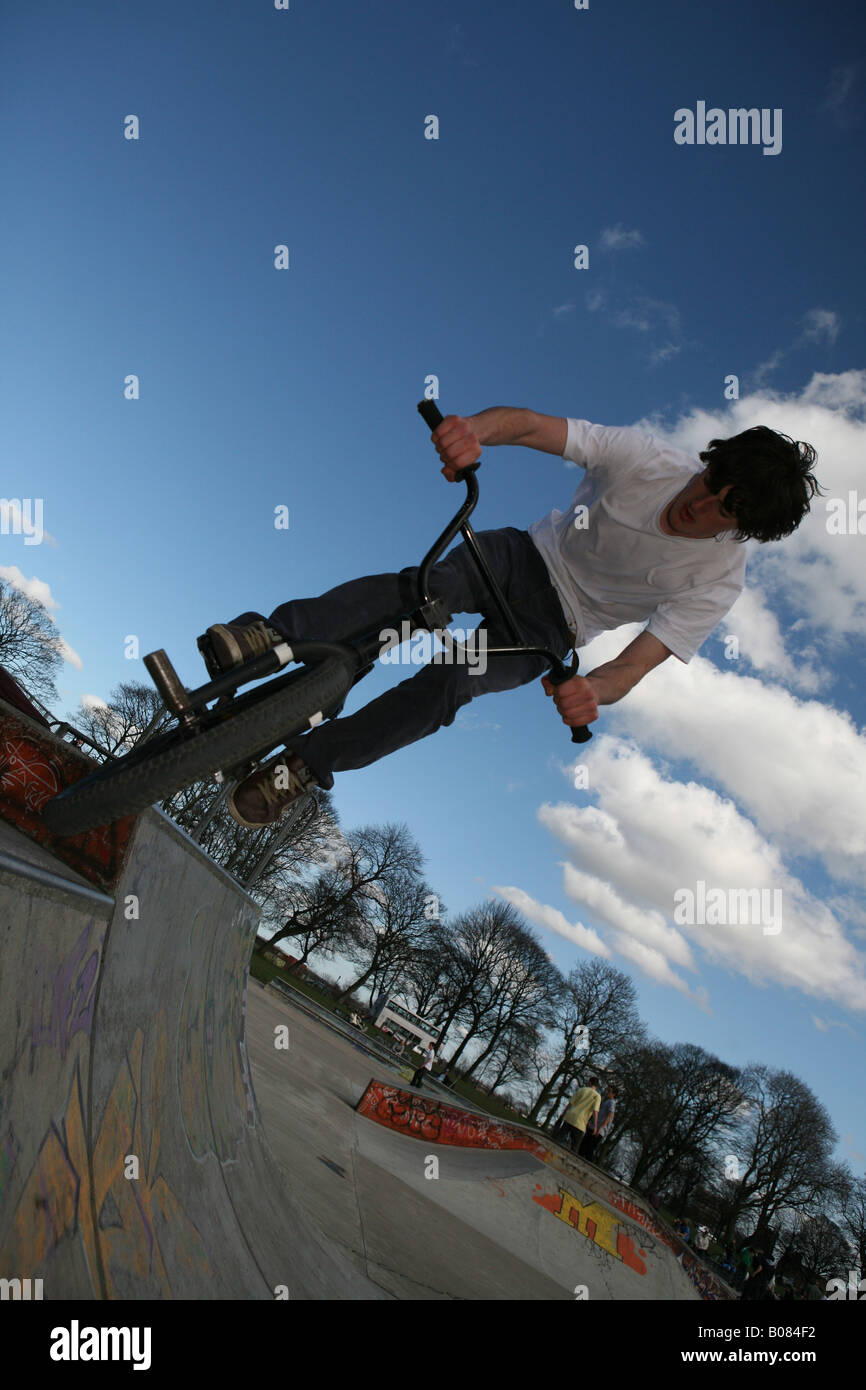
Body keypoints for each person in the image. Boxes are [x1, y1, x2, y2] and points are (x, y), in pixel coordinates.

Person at [201, 408, 821, 826]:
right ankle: (273, 636)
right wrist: (472, 430)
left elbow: (633, 667)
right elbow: (529, 428)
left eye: (724, 509)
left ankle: (308, 764)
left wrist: (590, 691)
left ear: (744, 528)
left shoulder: (718, 580)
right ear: (709, 460)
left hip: (550, 633)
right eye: (712, 480)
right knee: (425, 590)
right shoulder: (650, 459)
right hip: (519, 557)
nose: (700, 503)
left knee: (450, 683)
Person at [553, 1077, 602, 1155]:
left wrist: (563, 1113)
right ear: (597, 1086)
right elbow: (595, 1111)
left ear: (589, 1082)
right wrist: (595, 1126)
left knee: (559, 1138)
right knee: (574, 1147)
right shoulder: (597, 1096)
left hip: (570, 1117)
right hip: (580, 1123)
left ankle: (549, 1153)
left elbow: (570, 1103)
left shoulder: (581, 1090)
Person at [582, 1083, 617, 1163]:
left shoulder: (611, 1103)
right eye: (607, 1090)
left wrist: (601, 1128)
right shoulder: (605, 1101)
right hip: (593, 1127)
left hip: (598, 1130)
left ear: (613, 1094)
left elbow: (610, 1115)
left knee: (589, 1150)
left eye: (609, 1091)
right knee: (583, 1146)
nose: (607, 1092)